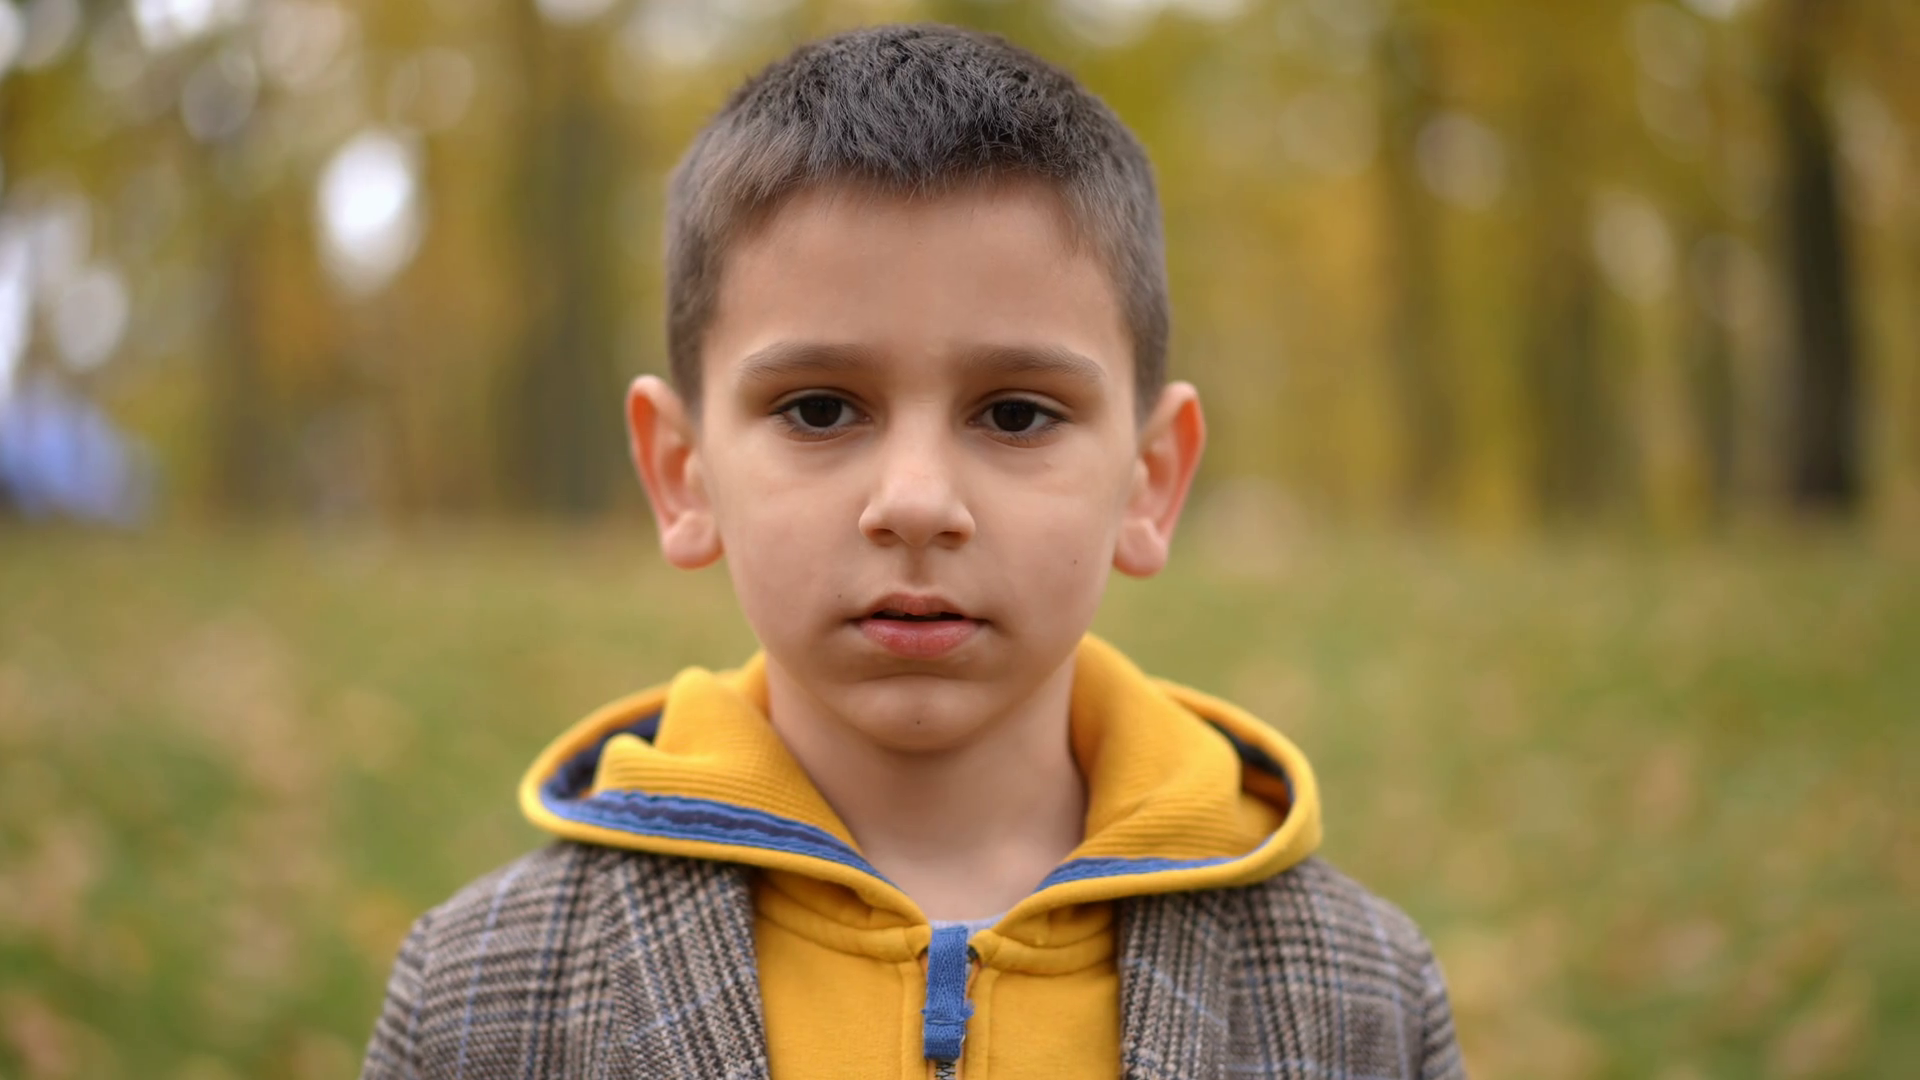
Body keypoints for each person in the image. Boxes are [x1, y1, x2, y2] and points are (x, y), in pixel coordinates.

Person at [359, 23, 1463, 1080]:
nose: (918, 503)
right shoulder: (479, 992)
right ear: (684, 473)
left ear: (1151, 480)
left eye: (1018, 414)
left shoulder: (1362, 994)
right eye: (822, 410)